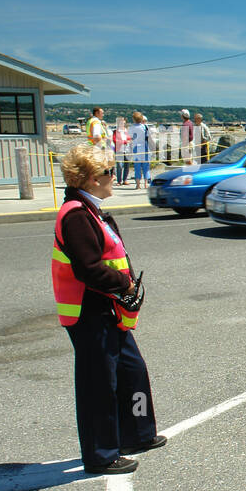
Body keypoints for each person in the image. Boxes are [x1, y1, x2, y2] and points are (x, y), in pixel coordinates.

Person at [52, 143, 167, 474]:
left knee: (131, 371)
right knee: (98, 385)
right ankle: (100, 455)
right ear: (89, 179)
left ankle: (136, 434)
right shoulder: (75, 215)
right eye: (108, 172)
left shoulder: (90, 209)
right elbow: (87, 268)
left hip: (109, 309)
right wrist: (125, 284)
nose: (114, 177)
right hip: (89, 312)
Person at [128, 111, 152, 189]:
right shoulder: (145, 127)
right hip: (144, 147)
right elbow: (149, 137)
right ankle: (146, 183)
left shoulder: (131, 128)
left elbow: (130, 138)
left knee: (137, 167)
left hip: (136, 148)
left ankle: (138, 185)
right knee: (146, 167)